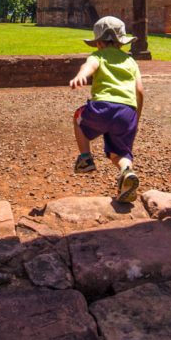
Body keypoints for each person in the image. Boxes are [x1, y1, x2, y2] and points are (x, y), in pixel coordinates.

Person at [69, 16, 144, 203]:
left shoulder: (98, 56)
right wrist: (136, 117)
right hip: (127, 112)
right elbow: (140, 91)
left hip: (102, 107)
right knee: (119, 153)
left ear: (98, 42)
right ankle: (127, 171)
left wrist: (81, 75)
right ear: (122, 42)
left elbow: (89, 66)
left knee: (78, 117)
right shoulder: (131, 61)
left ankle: (85, 159)